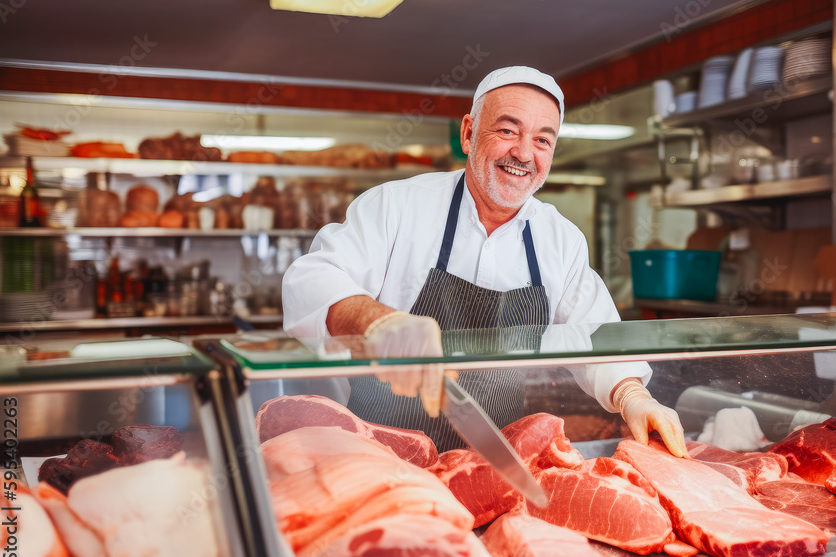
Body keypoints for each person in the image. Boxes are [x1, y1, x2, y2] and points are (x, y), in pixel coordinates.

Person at [282, 66, 688, 457]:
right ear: (469, 132)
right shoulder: (397, 205)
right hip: (384, 456)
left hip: (496, 467)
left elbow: (596, 334)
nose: (523, 153)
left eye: (543, 140)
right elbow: (312, 279)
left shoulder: (559, 238)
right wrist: (377, 322)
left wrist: (633, 395)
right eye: (508, 130)